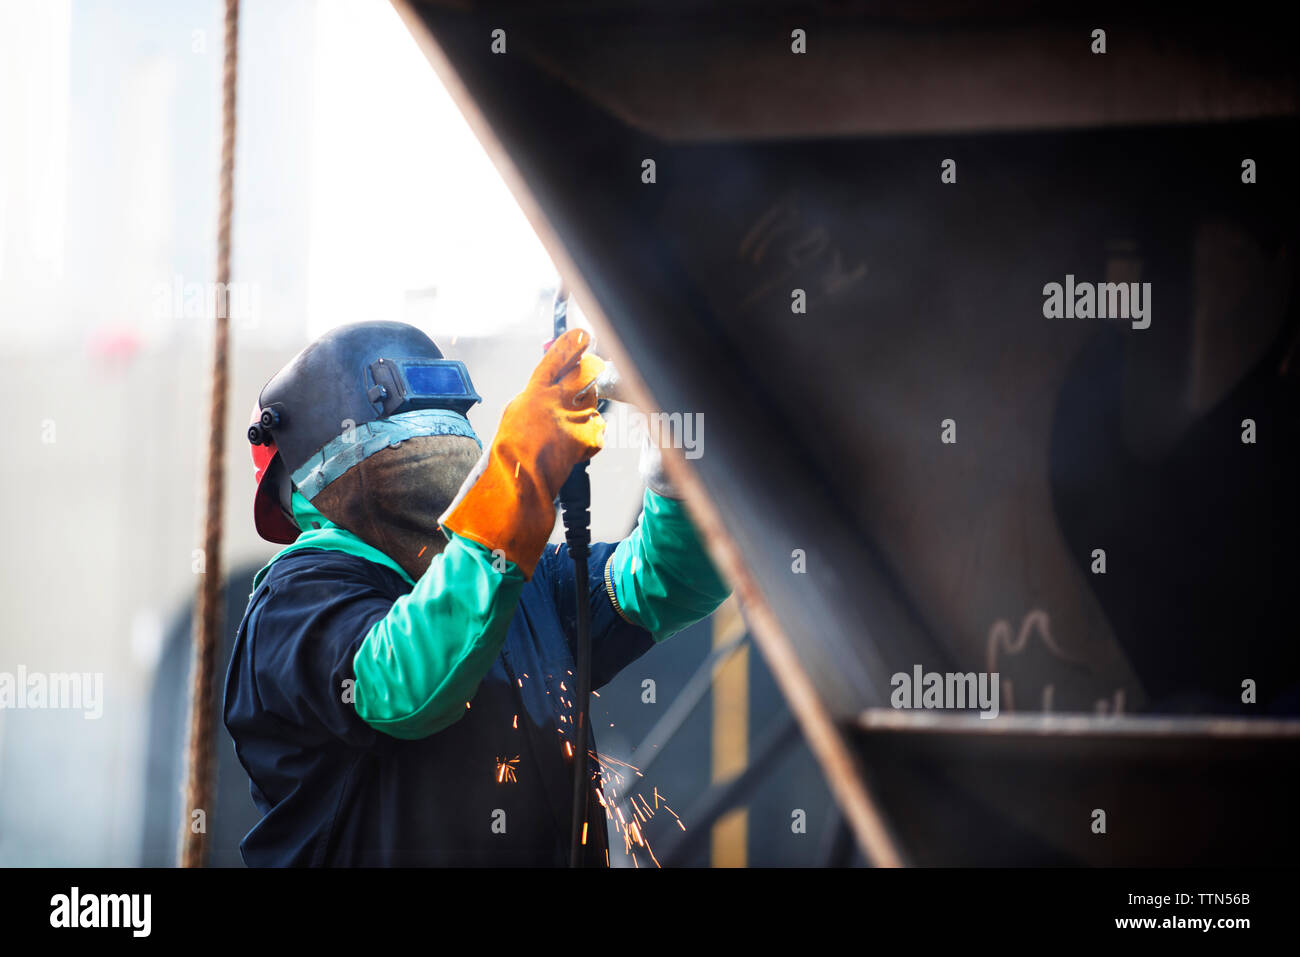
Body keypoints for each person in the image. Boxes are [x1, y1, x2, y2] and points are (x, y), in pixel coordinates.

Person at [223, 320, 730, 865]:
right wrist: (516, 477)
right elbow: (402, 683)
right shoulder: (294, 602)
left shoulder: (514, 579)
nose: (432, 441)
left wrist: (683, 453)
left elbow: (665, 581)